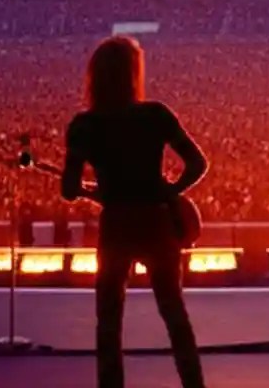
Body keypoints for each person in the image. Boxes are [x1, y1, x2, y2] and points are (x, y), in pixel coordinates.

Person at [61, 35, 208, 388]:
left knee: (108, 322)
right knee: (174, 314)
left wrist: (98, 191)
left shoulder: (85, 124)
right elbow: (197, 163)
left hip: (116, 225)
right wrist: (169, 191)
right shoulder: (155, 115)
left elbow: (68, 190)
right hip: (157, 222)